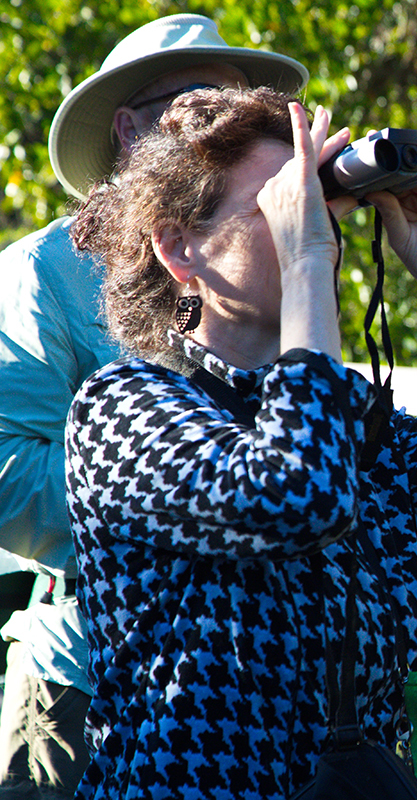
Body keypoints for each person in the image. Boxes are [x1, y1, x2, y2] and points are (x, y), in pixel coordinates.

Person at [63, 86, 417, 799]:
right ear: (176, 244)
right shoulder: (122, 409)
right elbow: (296, 495)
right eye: (280, 202)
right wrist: (309, 260)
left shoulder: (356, 425)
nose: (310, 223)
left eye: (314, 199)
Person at [0, 14, 306, 799]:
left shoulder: (287, 264)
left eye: (237, 105)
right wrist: (180, 531)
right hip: (81, 684)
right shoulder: (43, 269)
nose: (221, 125)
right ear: (129, 131)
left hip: (257, 692)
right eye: (192, 104)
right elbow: (4, 470)